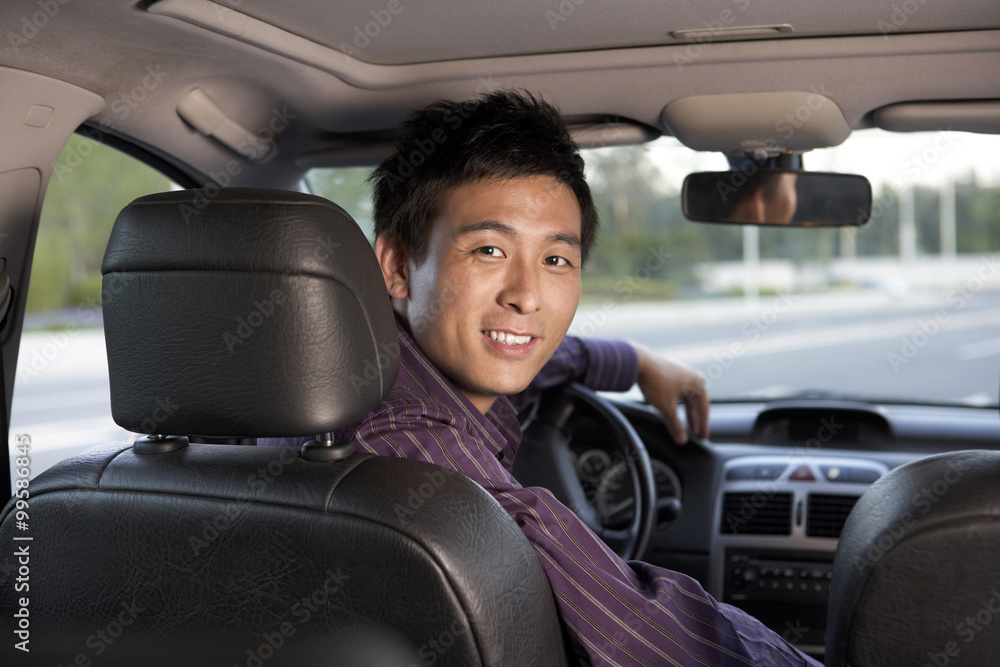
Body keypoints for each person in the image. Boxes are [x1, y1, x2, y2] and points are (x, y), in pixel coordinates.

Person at [267, 90, 819, 666]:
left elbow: (537, 352)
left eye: (556, 260)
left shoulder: (366, 371)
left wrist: (635, 361)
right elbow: (646, 633)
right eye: (488, 249)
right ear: (398, 267)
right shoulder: (400, 442)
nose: (527, 297)